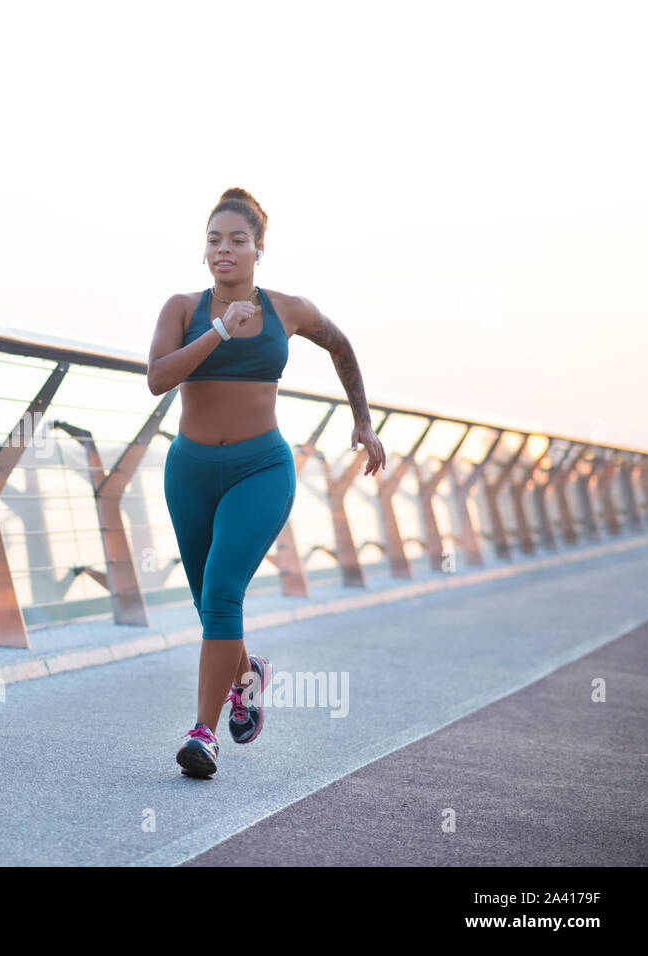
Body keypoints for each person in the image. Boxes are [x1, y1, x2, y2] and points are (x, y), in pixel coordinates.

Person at [146, 187, 386, 779]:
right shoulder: (182, 308)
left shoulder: (290, 309)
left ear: (259, 249)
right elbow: (157, 378)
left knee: (224, 592)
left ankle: (203, 735)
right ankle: (248, 675)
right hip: (190, 470)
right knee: (209, 604)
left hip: (261, 468)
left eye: (237, 240)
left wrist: (361, 419)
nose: (223, 250)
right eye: (213, 240)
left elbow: (341, 345)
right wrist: (221, 332)